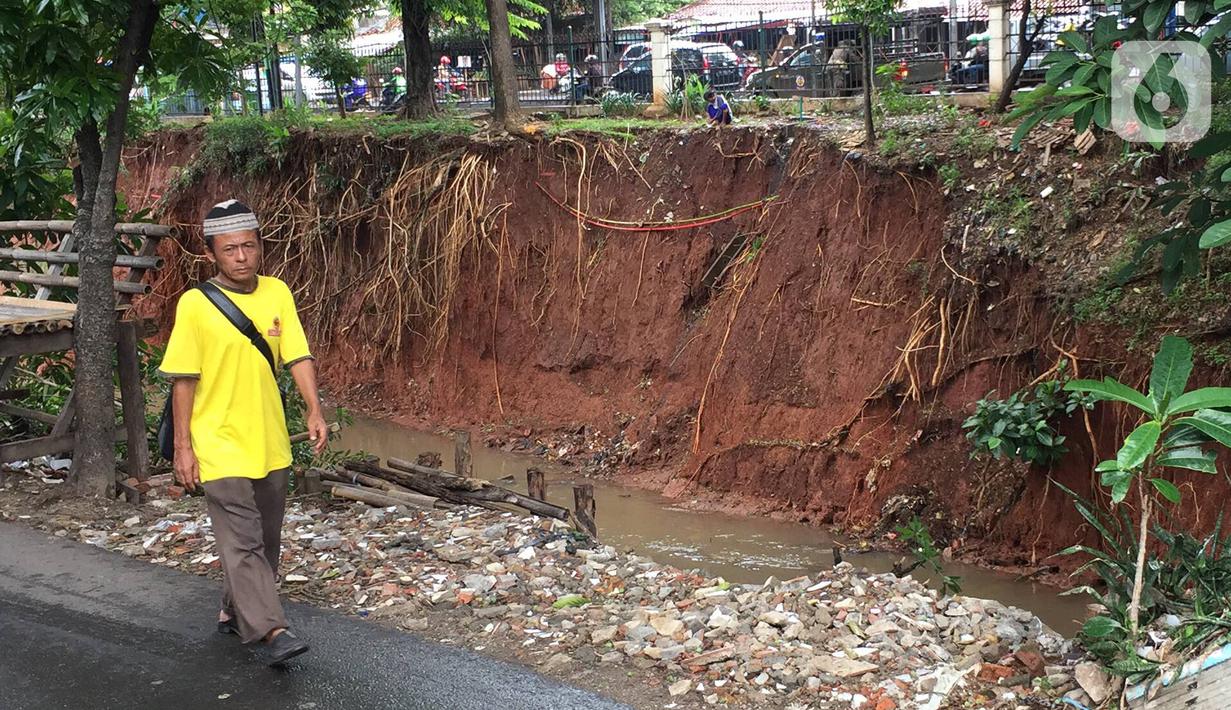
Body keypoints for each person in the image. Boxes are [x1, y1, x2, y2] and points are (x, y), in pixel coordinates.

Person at [160, 199, 329, 666]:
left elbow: (298, 355)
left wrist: (314, 409)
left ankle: (235, 611)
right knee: (242, 537)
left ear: (259, 247)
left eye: (248, 247)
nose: (241, 256)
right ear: (212, 253)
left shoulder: (278, 293)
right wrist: (183, 447)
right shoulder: (195, 304)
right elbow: (183, 380)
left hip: (269, 439)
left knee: (267, 536)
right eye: (230, 249)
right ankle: (272, 630)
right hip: (217, 441)